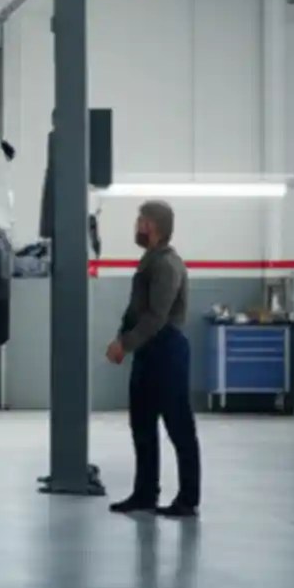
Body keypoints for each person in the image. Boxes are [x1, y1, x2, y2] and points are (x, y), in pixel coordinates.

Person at [106, 200, 201, 518]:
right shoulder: (150, 260)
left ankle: (188, 499)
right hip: (148, 350)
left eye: (140, 220)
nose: (136, 225)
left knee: (178, 426)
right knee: (142, 424)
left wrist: (126, 344)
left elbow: (157, 315)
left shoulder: (167, 264)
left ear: (153, 225)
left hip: (167, 349)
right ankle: (145, 493)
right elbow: (136, 310)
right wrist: (123, 338)